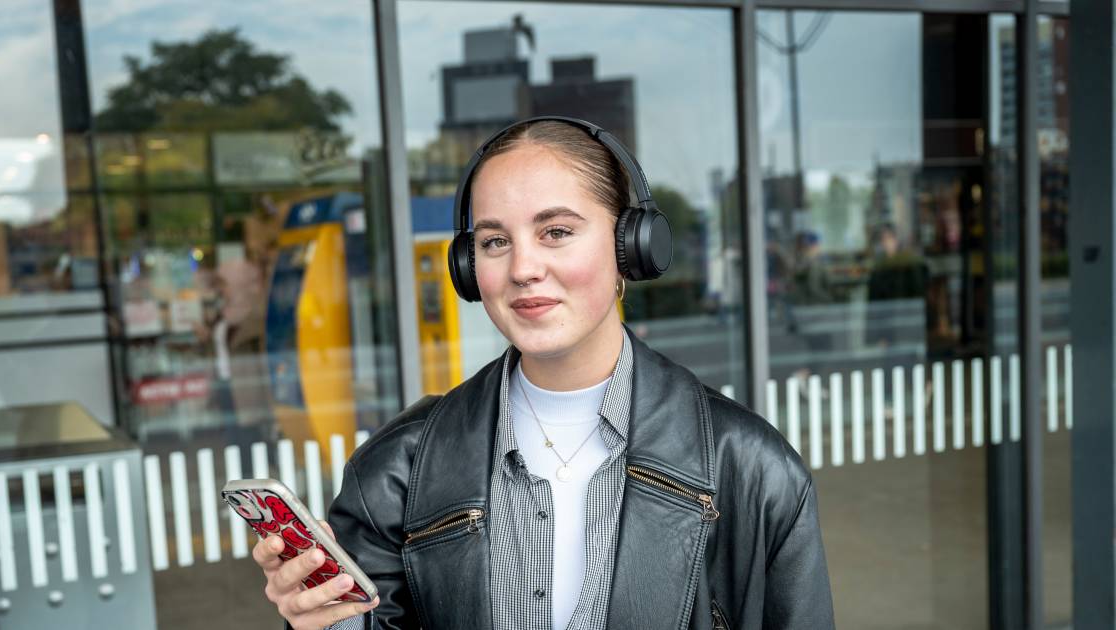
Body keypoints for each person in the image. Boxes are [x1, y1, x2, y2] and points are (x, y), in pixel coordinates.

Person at [252, 117, 834, 629]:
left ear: (630, 247)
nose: (523, 268)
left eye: (556, 231)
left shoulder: (753, 470)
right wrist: (322, 622)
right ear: (468, 267)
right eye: (495, 241)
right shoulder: (395, 471)